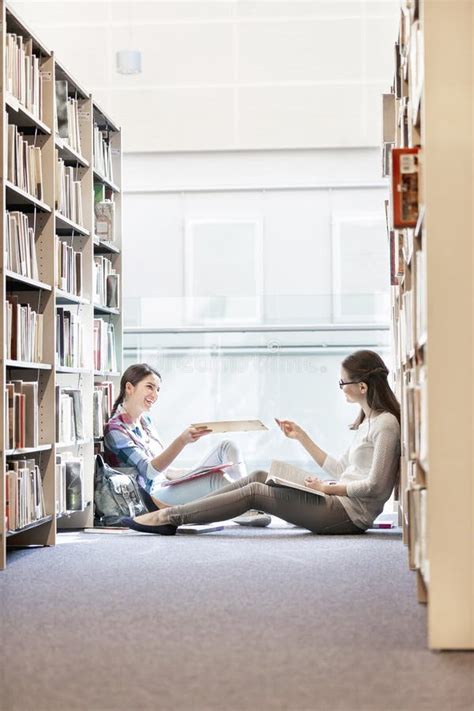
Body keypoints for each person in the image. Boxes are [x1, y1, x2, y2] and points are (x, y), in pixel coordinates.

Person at [122, 350, 401, 536]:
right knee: (259, 475)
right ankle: (174, 512)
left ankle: (169, 518)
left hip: (349, 514)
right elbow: (341, 468)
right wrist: (301, 437)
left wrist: (328, 488)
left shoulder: (386, 424)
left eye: (343, 382)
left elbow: (376, 487)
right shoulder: (368, 421)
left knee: (255, 492)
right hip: (336, 498)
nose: (340, 387)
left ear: (361, 387)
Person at [103, 363, 270, 525]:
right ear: (129, 388)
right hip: (149, 498)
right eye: (149, 387)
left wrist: (194, 474)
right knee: (215, 479)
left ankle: (247, 504)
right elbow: (150, 472)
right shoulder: (115, 430)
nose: (155, 395)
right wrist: (182, 441)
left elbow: (165, 471)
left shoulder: (145, 421)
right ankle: (245, 506)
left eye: (157, 389)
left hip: (165, 485)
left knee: (227, 447)